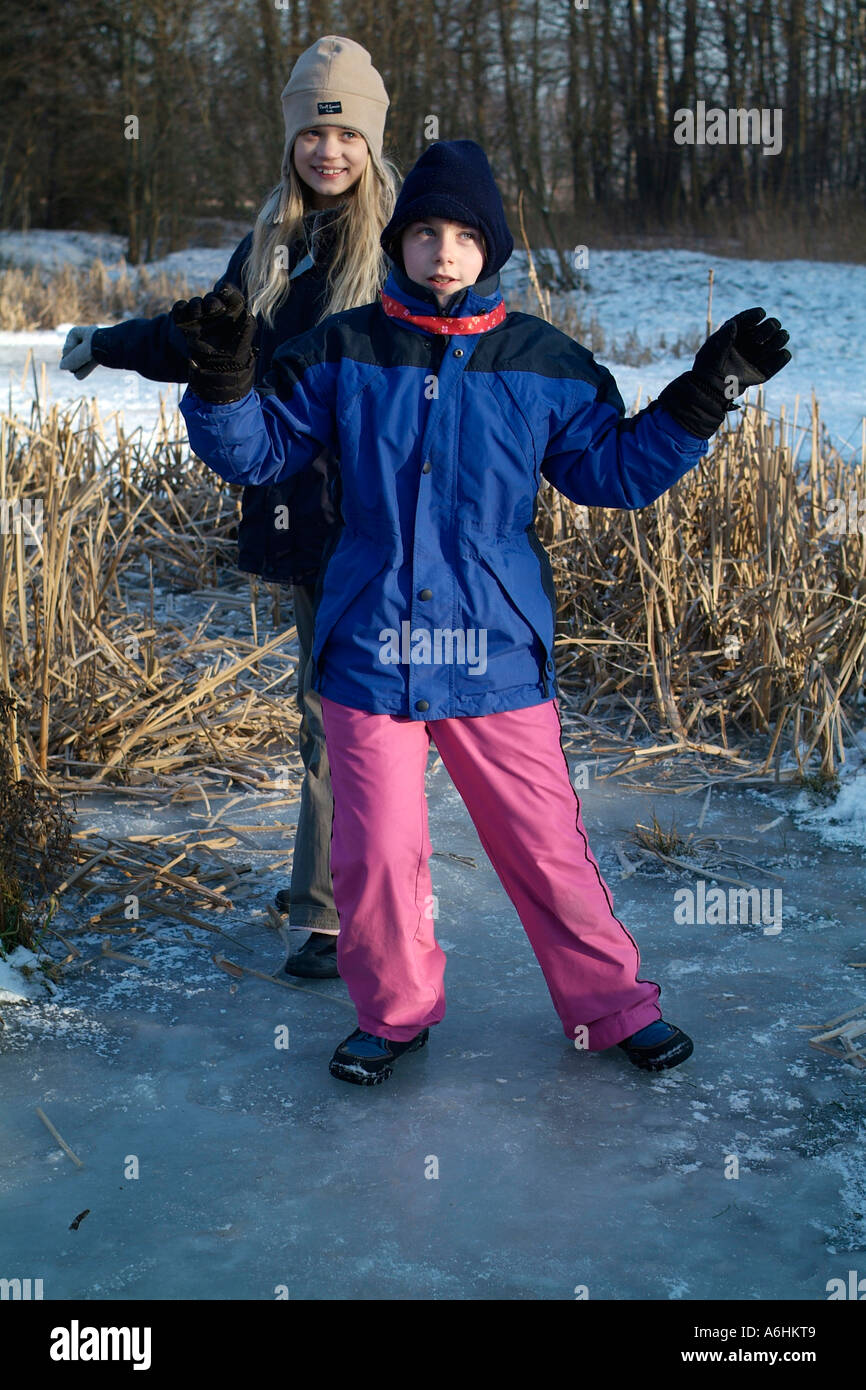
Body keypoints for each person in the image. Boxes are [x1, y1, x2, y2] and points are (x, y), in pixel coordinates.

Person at [171, 139, 792, 1085]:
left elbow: (612, 472)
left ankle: (611, 1005)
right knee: (376, 855)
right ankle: (393, 1012)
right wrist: (221, 383)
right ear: (400, 244)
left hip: (495, 649)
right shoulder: (342, 348)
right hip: (370, 647)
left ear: (490, 249)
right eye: (425, 233)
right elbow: (260, 455)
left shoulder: (544, 361)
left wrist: (706, 395)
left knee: (545, 846)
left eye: (465, 236)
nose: (444, 252)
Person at [59, 35, 398, 979]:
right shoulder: (271, 245)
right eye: (311, 134)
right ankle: (333, 903)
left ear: (372, 141)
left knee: (371, 715)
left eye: (347, 134)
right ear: (291, 140)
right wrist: (112, 341)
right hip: (306, 519)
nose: (328, 152)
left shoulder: (410, 245)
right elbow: (207, 338)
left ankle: (349, 903)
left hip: (392, 520)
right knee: (328, 714)